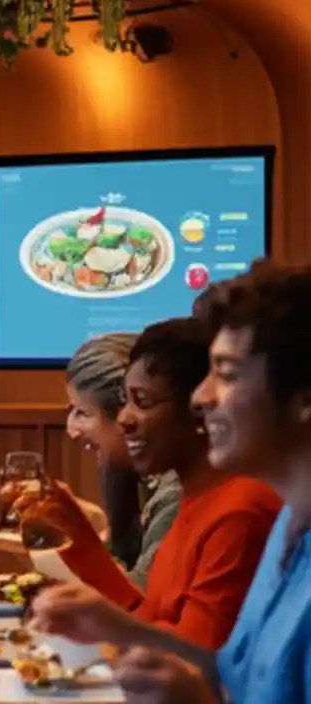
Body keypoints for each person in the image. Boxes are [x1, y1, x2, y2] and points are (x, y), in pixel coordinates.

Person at [33, 264, 311, 704]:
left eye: (228, 374)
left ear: (304, 397)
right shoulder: (289, 526)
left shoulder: (246, 509)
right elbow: (230, 675)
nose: (201, 397)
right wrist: (112, 624)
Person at [29, 317, 282, 650]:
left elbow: (194, 656)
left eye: (142, 401)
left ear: (199, 409)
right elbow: (147, 615)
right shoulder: (196, 498)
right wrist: (79, 541)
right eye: (125, 400)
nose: (124, 419)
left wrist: (106, 622)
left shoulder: (239, 511)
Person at [61, 333, 181, 586]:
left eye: (82, 412)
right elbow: (124, 557)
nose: (71, 430)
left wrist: (77, 533)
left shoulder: (176, 493)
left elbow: (140, 597)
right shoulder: (142, 477)